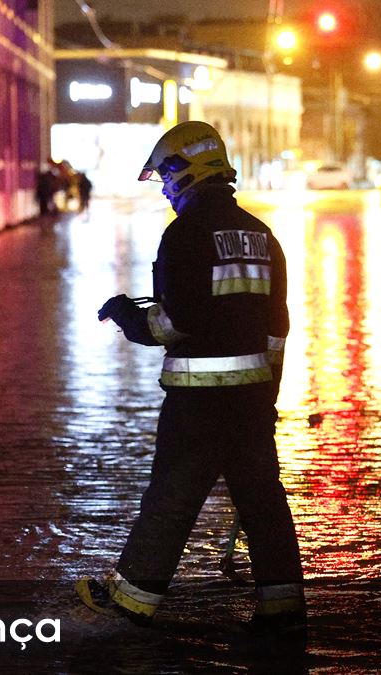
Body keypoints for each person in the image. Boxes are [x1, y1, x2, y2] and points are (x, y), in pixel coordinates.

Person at [76, 121, 305, 635]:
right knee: (264, 501)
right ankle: (282, 603)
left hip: (196, 403)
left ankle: (133, 599)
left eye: (163, 178)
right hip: (250, 401)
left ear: (184, 172)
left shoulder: (184, 234)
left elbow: (171, 322)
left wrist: (124, 315)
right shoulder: (261, 236)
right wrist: (267, 396)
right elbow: (277, 330)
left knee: (170, 498)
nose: (163, 188)